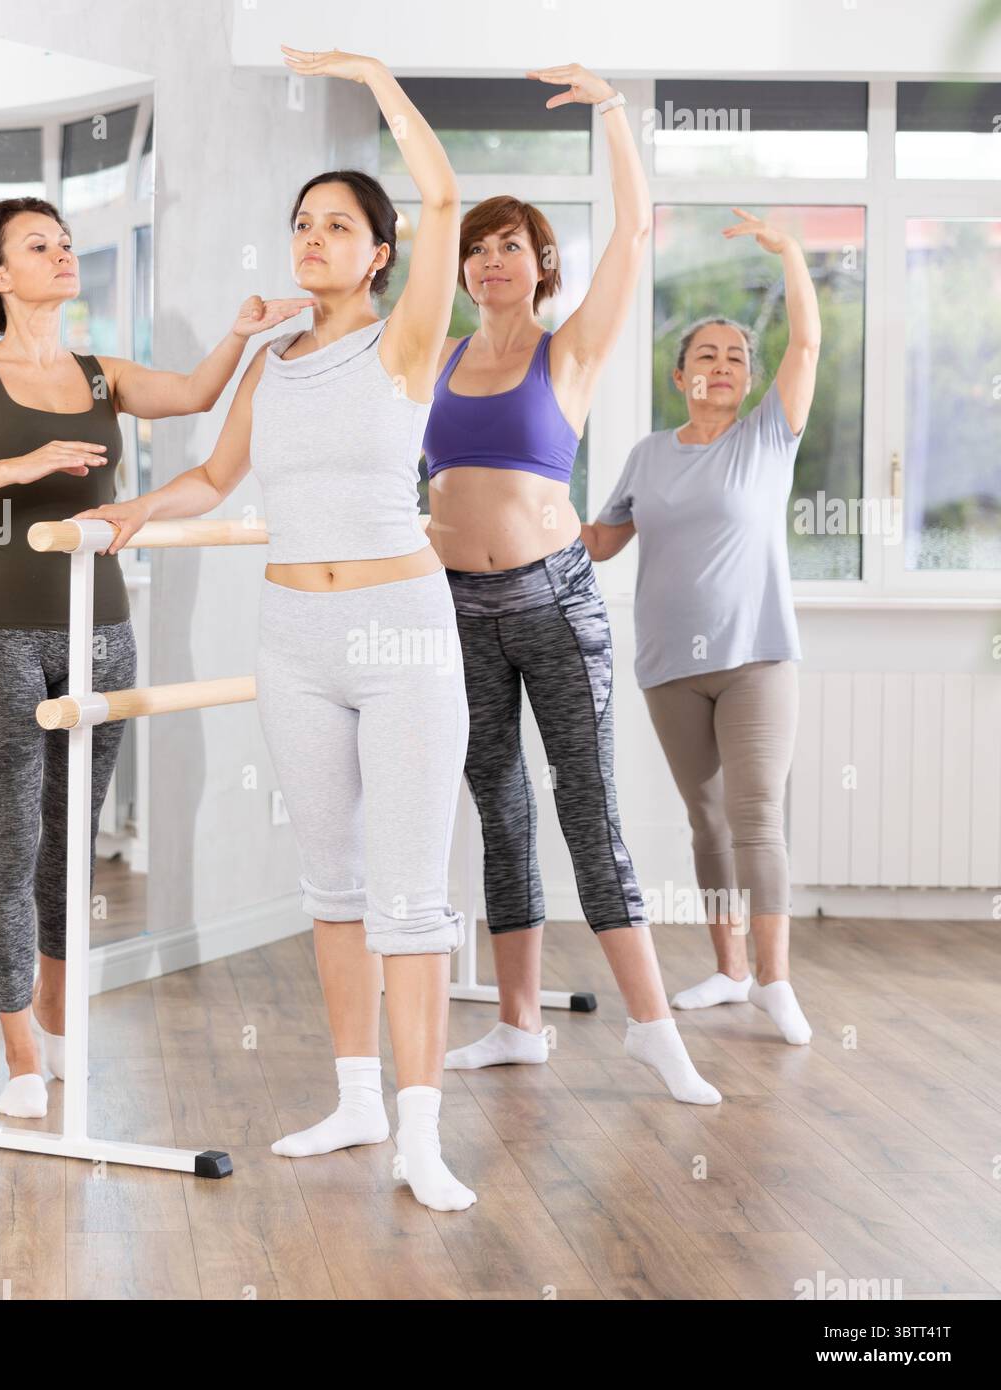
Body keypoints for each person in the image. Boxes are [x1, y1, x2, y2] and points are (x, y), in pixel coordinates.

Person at [81, 47, 477, 1211]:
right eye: (301, 222)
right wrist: (132, 513)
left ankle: (422, 1130)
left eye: (337, 224)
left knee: (409, 893)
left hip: (400, 631)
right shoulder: (272, 356)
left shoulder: (404, 339)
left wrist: (378, 83)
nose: (312, 238)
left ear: (382, 250)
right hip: (295, 639)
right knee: (334, 884)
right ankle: (355, 1095)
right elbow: (213, 475)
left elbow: (446, 197)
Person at [0, 195, 310, 1117]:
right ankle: (21, 1059)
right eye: (40, 245)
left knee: (69, 851)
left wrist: (242, 337)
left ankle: (66, 1032)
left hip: (104, 635)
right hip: (2, 637)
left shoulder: (101, 373)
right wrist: (17, 468)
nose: (63, 254)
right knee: (13, 846)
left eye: (67, 242)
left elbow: (194, 394)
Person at [422, 65, 719, 1105]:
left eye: (513, 245)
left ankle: (653, 1027)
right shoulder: (440, 359)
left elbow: (636, 233)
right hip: (454, 609)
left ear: (541, 265)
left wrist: (610, 112)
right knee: (498, 811)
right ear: (462, 270)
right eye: (479, 245)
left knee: (587, 810)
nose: (492, 259)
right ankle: (516, 1022)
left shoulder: (571, 350)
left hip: (554, 602)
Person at [587, 208, 821, 1047]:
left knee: (757, 815)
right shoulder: (650, 455)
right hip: (667, 666)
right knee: (707, 821)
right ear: (679, 374)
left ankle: (776, 982)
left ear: (750, 378)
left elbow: (806, 347)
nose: (722, 366)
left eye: (736, 357)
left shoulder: (768, 438)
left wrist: (790, 253)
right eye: (706, 355)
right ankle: (728, 970)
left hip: (757, 657)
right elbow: (603, 542)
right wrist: (529, 514)